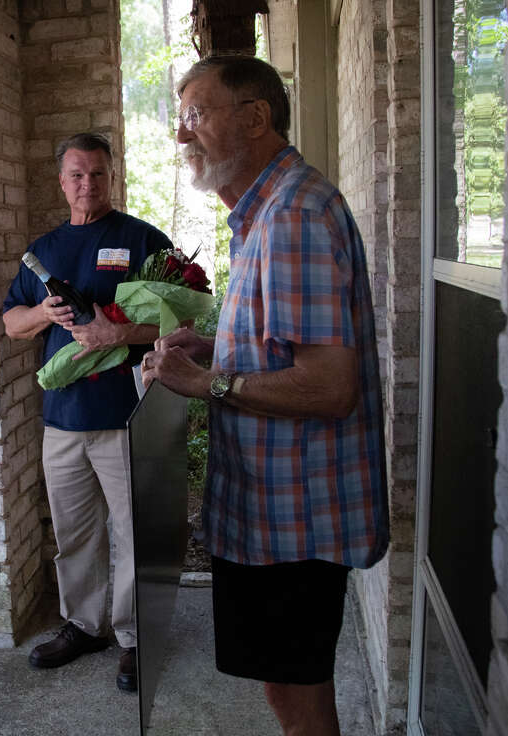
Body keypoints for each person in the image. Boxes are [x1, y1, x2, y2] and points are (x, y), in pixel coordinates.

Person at [141, 56, 389, 736]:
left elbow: (330, 387)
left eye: (196, 114)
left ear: (255, 118)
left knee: (298, 696)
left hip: (297, 523)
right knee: (285, 688)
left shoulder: (293, 218)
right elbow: (284, 350)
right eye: (180, 119)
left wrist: (208, 382)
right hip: (276, 518)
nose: (182, 136)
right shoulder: (262, 216)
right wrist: (214, 351)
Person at [2, 132, 172, 693]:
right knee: (75, 533)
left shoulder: (141, 239)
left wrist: (118, 332)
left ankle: (132, 636)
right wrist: (44, 316)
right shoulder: (45, 249)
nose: (87, 184)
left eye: (97, 174)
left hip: (125, 413)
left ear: (110, 176)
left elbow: (182, 321)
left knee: (130, 531)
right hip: (63, 420)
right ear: (61, 180)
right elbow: (10, 323)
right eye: (76, 175)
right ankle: (85, 624)